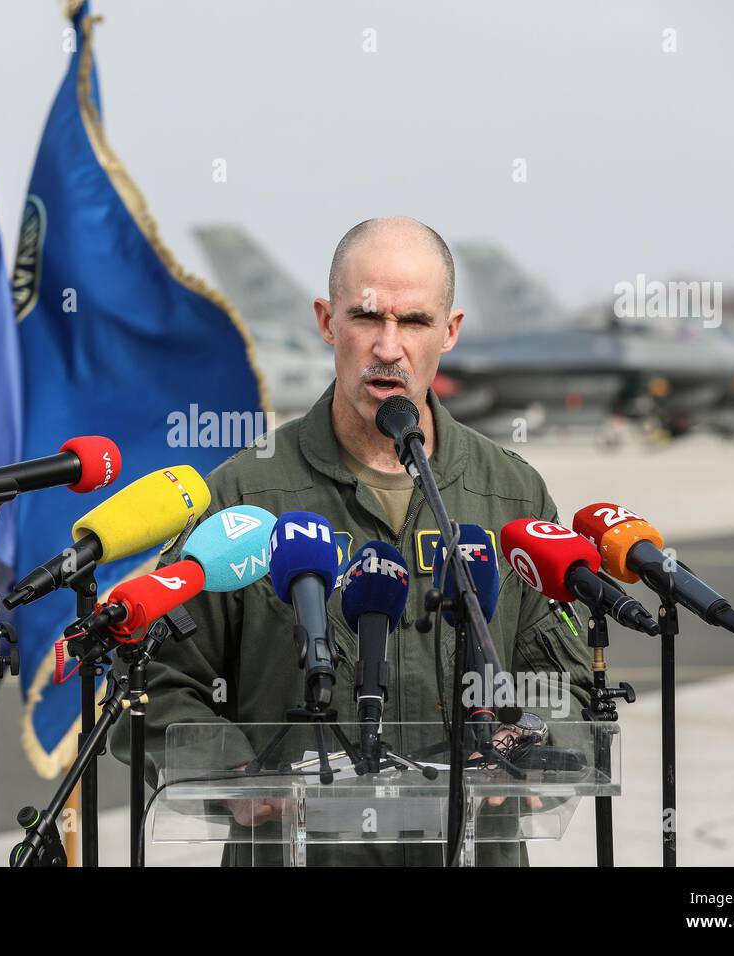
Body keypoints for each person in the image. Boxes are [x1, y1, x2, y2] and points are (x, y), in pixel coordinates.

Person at [111, 216, 594, 866]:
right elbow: (147, 679)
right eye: (367, 317)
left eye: (416, 321)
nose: (389, 347)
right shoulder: (245, 495)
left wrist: (537, 742)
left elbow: (566, 675)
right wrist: (235, 777)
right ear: (326, 321)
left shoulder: (510, 495)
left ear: (450, 332)